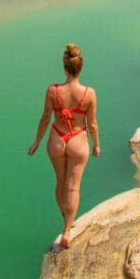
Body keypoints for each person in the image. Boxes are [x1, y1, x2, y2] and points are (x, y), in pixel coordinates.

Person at [28, 43, 100, 251]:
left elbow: (44, 118)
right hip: (78, 139)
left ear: (65, 68)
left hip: (57, 139)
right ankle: (67, 231)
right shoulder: (89, 93)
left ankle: (66, 218)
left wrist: (36, 142)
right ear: (80, 68)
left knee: (60, 181)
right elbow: (92, 123)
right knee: (73, 186)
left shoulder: (53, 91)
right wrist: (96, 144)